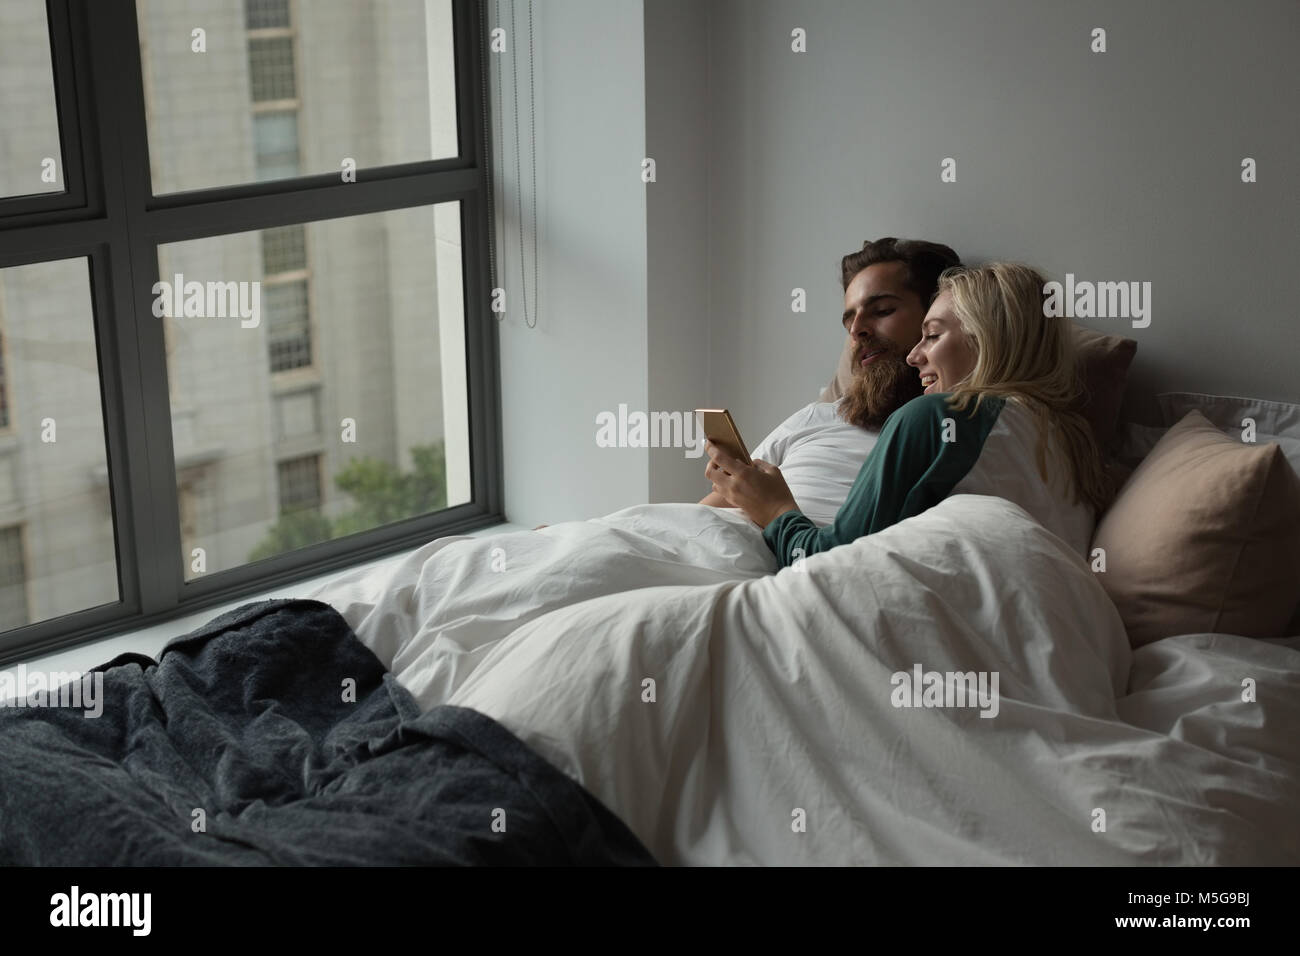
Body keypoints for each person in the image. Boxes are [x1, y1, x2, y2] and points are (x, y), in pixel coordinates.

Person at [704, 262, 1112, 567]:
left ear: (988, 341)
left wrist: (776, 509)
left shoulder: (932, 418)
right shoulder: (1074, 443)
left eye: (932, 335)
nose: (915, 357)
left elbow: (832, 565)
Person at [697, 237, 962, 526]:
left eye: (883, 310)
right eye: (849, 322)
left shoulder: (954, 434)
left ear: (934, 318)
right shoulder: (817, 416)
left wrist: (774, 511)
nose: (857, 330)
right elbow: (705, 512)